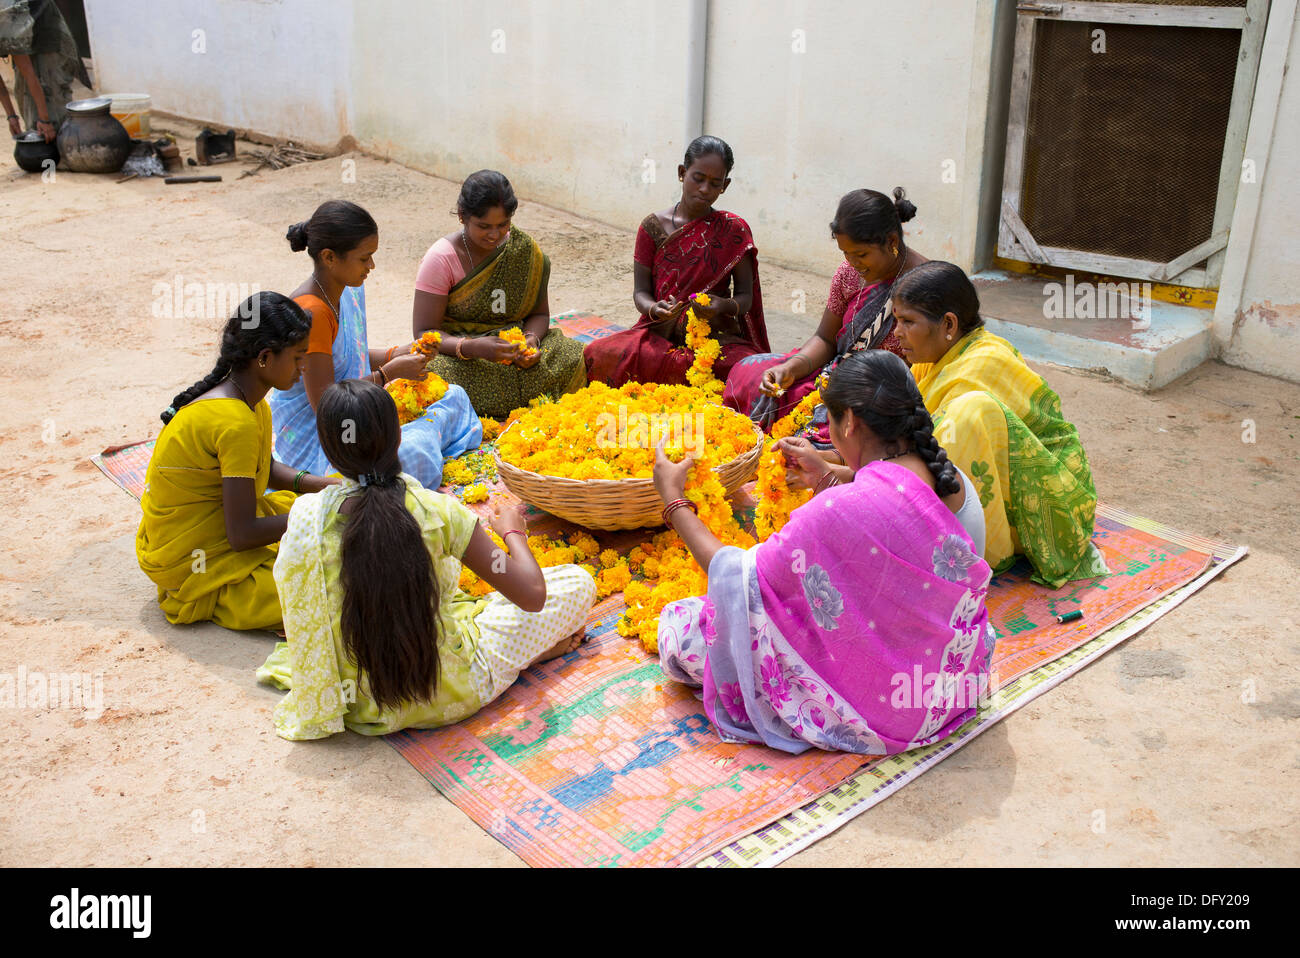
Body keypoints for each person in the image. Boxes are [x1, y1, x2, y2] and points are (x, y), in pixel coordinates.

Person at [652, 350, 995, 755]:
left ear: (849, 421)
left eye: (827, 420)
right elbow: (881, 535)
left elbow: (736, 575)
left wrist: (674, 499)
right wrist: (829, 477)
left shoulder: (837, 511)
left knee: (682, 630)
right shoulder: (948, 477)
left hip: (896, 714)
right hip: (955, 684)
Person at [257, 380, 597, 740]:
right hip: (452, 693)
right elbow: (532, 595)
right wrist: (514, 534)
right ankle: (526, 657)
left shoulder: (307, 517)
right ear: (398, 438)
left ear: (328, 451)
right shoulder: (437, 511)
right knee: (578, 583)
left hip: (360, 702)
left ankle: (521, 657)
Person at [893, 261, 1108, 588]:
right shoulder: (939, 358)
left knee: (969, 414)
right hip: (1017, 484)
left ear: (948, 324)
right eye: (897, 321)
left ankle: (983, 547)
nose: (896, 333)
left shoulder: (983, 362)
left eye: (908, 322)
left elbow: (922, 447)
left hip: (1054, 502)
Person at [136, 293, 340, 631]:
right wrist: (322, 513)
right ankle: (222, 591)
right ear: (264, 358)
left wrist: (320, 486)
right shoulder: (235, 420)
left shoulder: (250, 400)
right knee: (330, 591)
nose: (304, 367)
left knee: (316, 506)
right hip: (194, 560)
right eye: (298, 357)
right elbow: (242, 535)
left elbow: (261, 468)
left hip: (220, 526)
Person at [270, 200, 481, 487]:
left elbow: (347, 355)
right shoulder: (313, 312)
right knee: (409, 451)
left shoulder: (345, 289)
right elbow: (328, 407)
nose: (371, 266)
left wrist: (400, 352)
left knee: (453, 396)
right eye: (364, 258)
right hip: (330, 438)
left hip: (358, 407)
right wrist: (389, 373)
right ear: (330, 257)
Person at [723, 187, 925, 438]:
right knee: (748, 372)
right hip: (837, 373)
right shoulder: (849, 274)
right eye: (845, 253)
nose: (853, 263)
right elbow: (826, 339)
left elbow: (924, 368)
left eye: (861, 254)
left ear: (892, 242)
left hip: (885, 395)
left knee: (843, 431)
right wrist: (791, 368)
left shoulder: (923, 285)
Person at [582, 135, 770, 388]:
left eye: (715, 183)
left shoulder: (734, 231)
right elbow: (640, 293)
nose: (704, 189)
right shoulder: (652, 227)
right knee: (599, 354)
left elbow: (745, 297)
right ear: (682, 173)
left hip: (715, 338)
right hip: (660, 334)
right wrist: (654, 308)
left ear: (725, 186)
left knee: (751, 372)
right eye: (698, 178)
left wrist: (722, 305)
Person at [773, 351, 986, 558]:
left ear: (848, 421)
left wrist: (824, 481)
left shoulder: (867, 506)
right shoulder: (942, 469)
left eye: (830, 420)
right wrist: (824, 471)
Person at [412, 170, 586, 417]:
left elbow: (539, 313)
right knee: (432, 377)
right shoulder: (441, 259)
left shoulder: (522, 249)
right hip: (462, 357)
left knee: (574, 356)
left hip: (513, 352)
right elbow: (424, 332)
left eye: (503, 225)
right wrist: (472, 348)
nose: (494, 235)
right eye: (483, 226)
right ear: (463, 217)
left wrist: (530, 341)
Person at [0, 0, 86, 141]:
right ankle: (41, 144)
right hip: (21, 28)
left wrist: (45, 120)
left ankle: (65, 145)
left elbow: (29, 73)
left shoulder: (9, 24)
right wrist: (11, 117)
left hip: (45, 31)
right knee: (24, 95)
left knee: (52, 92)